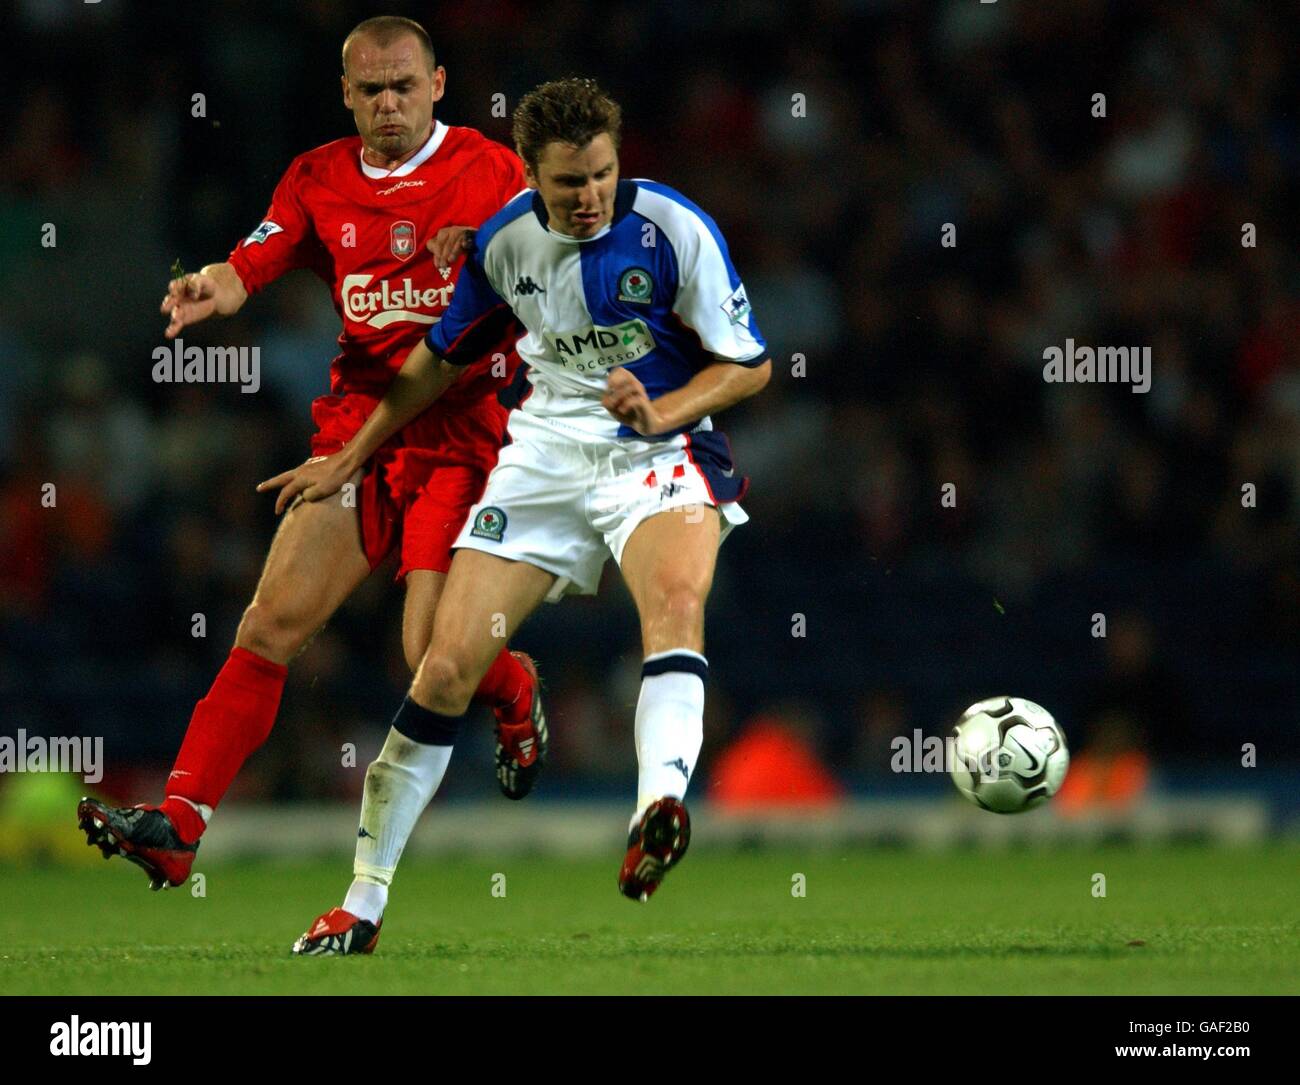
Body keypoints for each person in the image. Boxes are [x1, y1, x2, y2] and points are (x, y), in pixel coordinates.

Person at [269, 77, 770, 954]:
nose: (590, 198)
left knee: (675, 608)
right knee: (441, 666)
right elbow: (434, 360)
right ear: (531, 176)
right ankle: (361, 902)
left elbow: (751, 364)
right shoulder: (504, 242)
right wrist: (352, 452)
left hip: (656, 455)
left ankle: (658, 807)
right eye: (569, 183)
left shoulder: (673, 228)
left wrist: (668, 409)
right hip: (541, 459)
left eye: (603, 176)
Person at [77, 17, 547, 909]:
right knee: (271, 619)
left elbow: (551, 255)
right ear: (345, 94)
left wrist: (487, 248)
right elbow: (255, 257)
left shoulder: (490, 169)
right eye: (370, 89)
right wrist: (218, 283)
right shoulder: (317, 176)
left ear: (439, 83)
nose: (388, 104)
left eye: (404, 86)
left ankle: (516, 690)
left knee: (428, 650)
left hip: (469, 433)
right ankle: (180, 826)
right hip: (358, 434)